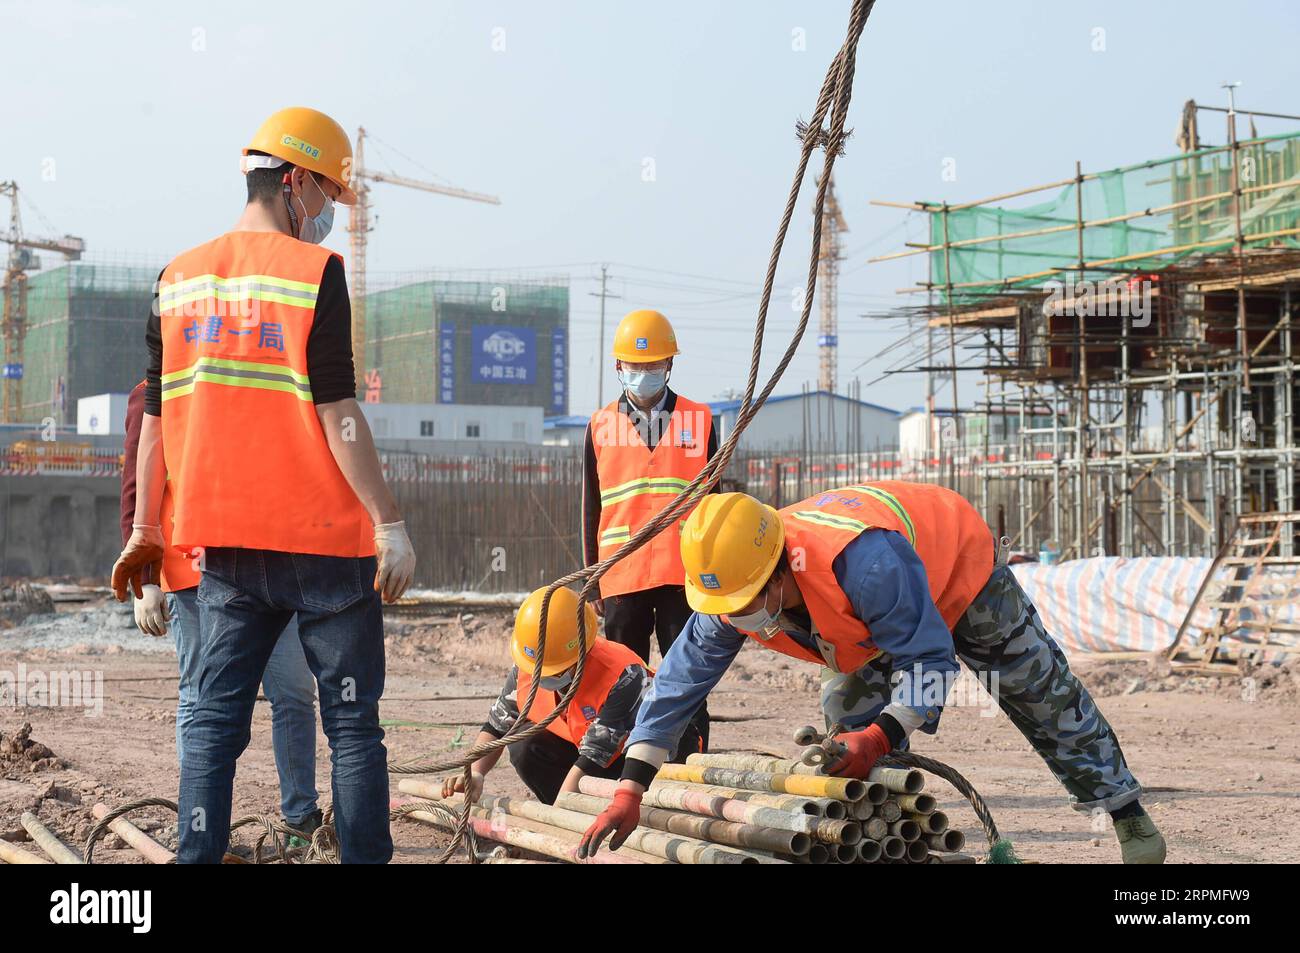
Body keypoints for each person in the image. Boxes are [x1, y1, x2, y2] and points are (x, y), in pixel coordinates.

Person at [111, 106, 416, 864]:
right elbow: (338, 412)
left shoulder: (176, 279)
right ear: (296, 180)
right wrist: (388, 520)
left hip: (227, 546)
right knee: (349, 723)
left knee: (212, 719)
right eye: (326, 198)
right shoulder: (316, 275)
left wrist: (147, 531)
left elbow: (155, 419)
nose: (328, 218)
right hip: (323, 544)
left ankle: (195, 856)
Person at [578, 482, 1167, 864]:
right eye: (727, 605)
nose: (737, 616)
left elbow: (932, 664)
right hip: (869, 626)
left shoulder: (863, 564)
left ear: (780, 567)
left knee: (1039, 692)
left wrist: (884, 733)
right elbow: (676, 688)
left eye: (747, 599)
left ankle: (1123, 811)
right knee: (845, 730)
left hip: (958, 573)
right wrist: (632, 787)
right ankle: (884, 847)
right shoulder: (730, 594)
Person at [120, 379, 323, 839]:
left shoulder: (251, 379)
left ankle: (301, 815)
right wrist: (145, 580)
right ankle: (201, 823)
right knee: (201, 697)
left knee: (292, 691)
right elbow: (137, 484)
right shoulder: (154, 393)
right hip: (191, 571)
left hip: (269, 567)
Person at [582, 308, 714, 750]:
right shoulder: (600, 426)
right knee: (622, 678)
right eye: (635, 365)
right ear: (619, 367)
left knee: (689, 674)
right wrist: (592, 580)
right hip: (622, 576)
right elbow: (590, 507)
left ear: (669, 365)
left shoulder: (700, 420)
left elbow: (713, 505)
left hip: (684, 575)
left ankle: (689, 764)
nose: (644, 373)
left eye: (653, 364)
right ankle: (622, 765)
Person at [441, 587, 701, 806]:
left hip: (648, 759)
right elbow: (497, 727)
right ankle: (582, 815)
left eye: (557, 668)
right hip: (591, 755)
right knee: (525, 747)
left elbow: (595, 757)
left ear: (583, 652)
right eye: (538, 669)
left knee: (647, 794)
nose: (544, 677)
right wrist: (476, 773)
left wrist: (557, 817)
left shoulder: (622, 674)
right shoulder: (526, 667)